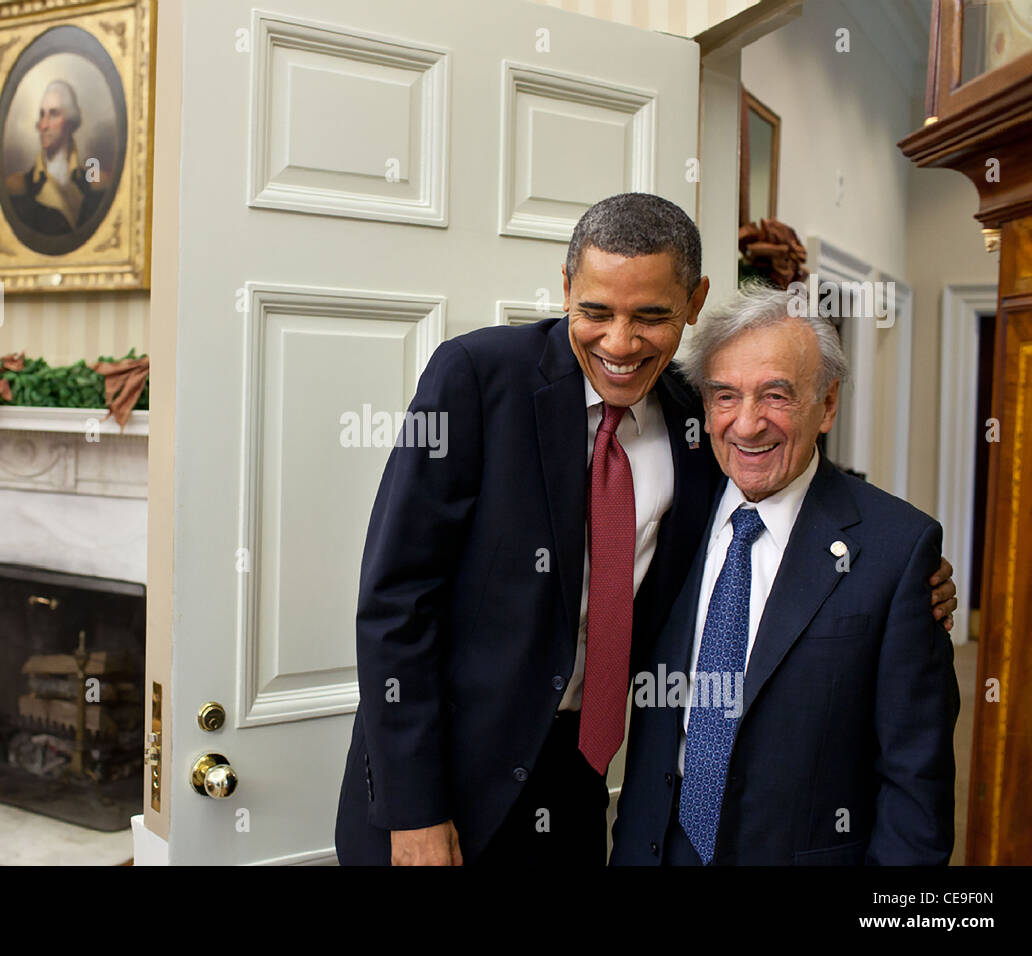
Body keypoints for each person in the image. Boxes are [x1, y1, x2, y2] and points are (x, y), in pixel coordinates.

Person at [334, 194, 957, 866]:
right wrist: (415, 811)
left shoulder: (697, 418)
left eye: (652, 316)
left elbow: (778, 470)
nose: (620, 343)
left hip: (576, 787)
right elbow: (396, 602)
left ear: (695, 300)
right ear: (567, 286)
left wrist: (893, 564)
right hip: (439, 783)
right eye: (596, 311)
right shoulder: (479, 379)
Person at [610, 283, 960, 865]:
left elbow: (915, 784)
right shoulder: (668, 516)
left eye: (776, 396)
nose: (747, 426)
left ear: (826, 404)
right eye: (725, 396)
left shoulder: (897, 551)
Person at [5, 80, 107, 236]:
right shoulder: (18, 188)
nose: (43, 125)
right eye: (42, 115)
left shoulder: (95, 183)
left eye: (53, 114)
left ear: (70, 122)